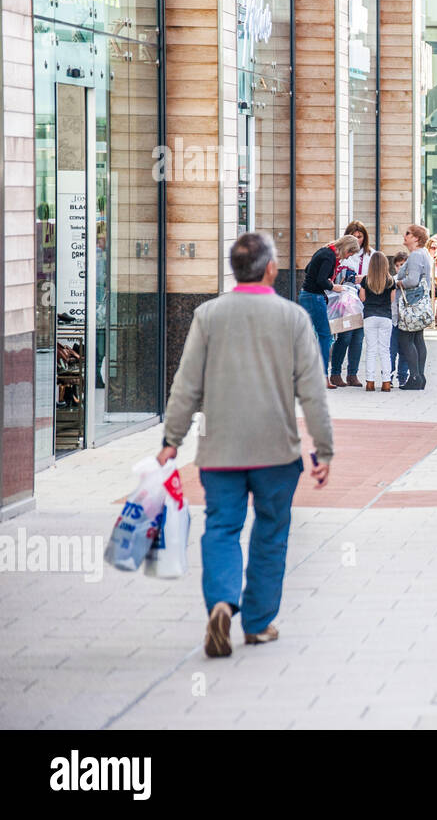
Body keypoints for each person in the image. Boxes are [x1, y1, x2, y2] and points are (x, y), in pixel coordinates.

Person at [159, 233, 333, 657]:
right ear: (271, 269)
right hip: (276, 449)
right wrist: (323, 449)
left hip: (220, 449)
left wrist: (171, 440)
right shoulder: (293, 318)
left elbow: (186, 385)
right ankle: (257, 623)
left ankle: (221, 601)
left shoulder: (207, 315)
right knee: (271, 532)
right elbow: (312, 390)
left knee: (221, 527)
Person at [299, 233, 360, 381]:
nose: (349, 256)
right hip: (314, 296)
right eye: (350, 253)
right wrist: (334, 287)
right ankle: (323, 376)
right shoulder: (329, 257)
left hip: (306, 295)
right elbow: (321, 280)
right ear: (346, 248)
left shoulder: (324, 251)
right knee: (325, 336)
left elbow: (308, 269)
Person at [328, 221, 373, 388]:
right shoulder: (343, 256)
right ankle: (336, 373)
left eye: (360, 237)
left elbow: (376, 275)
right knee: (345, 336)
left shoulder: (371, 254)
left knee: (358, 338)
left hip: (364, 301)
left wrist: (364, 283)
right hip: (345, 302)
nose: (357, 240)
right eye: (353, 236)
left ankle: (353, 374)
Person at [394, 224, 433, 390]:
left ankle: (415, 377)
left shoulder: (416, 255)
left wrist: (396, 283)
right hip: (420, 303)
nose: (405, 235)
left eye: (408, 233)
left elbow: (412, 281)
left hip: (412, 304)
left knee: (406, 339)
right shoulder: (423, 254)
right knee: (418, 338)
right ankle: (420, 376)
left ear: (416, 238)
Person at [358, 251, 394, 391]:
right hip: (385, 317)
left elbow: (362, 298)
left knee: (371, 350)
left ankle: (370, 382)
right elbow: (392, 299)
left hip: (370, 317)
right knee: (385, 350)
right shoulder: (391, 281)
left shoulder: (365, 280)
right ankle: (386, 382)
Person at [389, 250, 411, 386]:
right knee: (391, 350)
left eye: (402, 265)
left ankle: (402, 377)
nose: (400, 268)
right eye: (397, 265)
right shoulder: (392, 280)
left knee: (404, 351)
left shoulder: (410, 281)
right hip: (393, 320)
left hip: (406, 321)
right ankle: (388, 376)